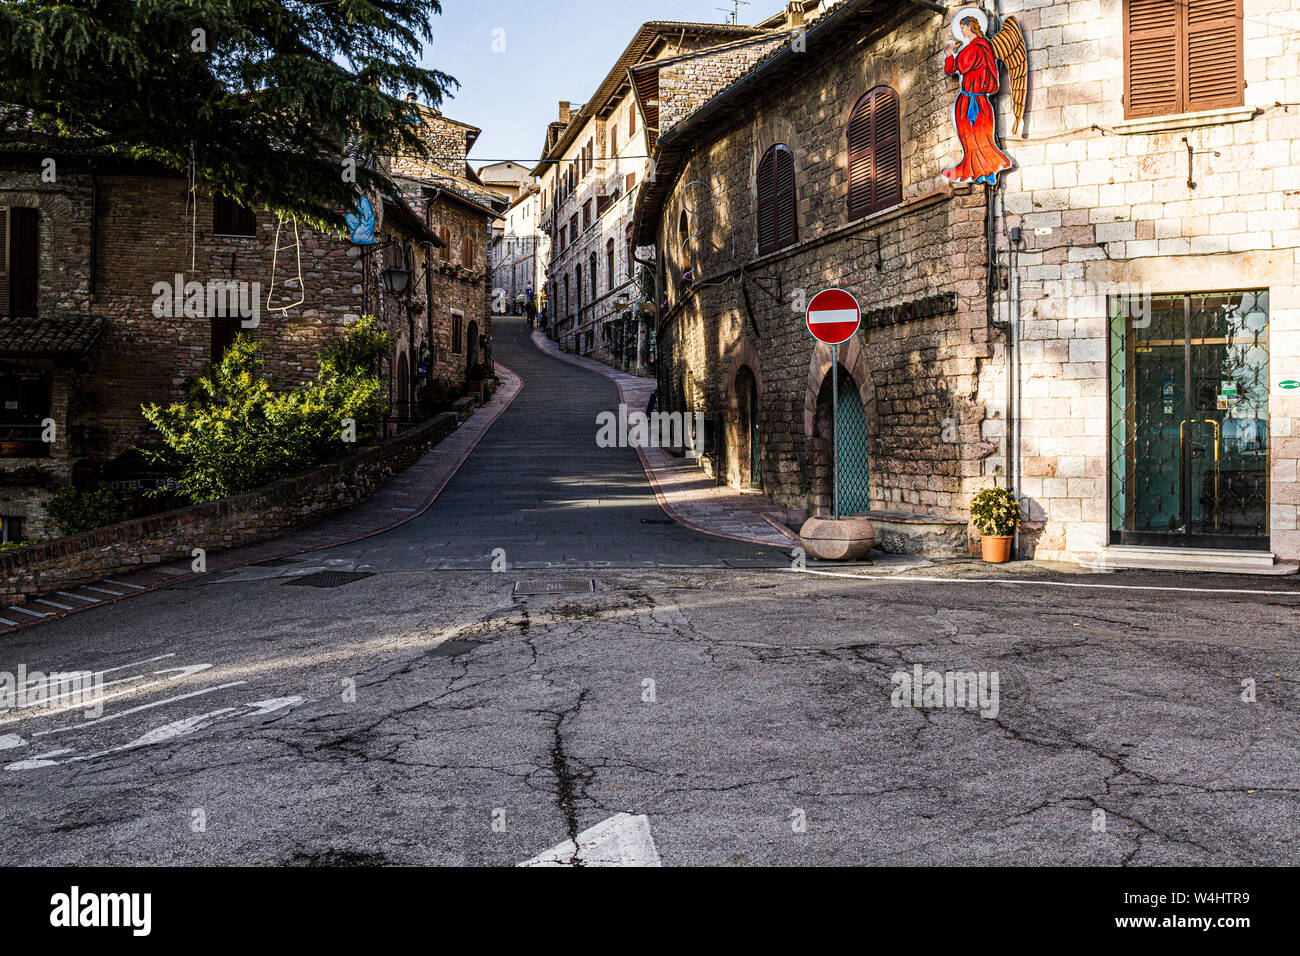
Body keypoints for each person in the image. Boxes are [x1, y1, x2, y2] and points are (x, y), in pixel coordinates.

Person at [943, 17, 1013, 185]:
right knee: (971, 138)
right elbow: (951, 69)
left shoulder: (975, 48)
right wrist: (951, 55)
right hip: (973, 100)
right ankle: (978, 170)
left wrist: (950, 53)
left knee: (980, 137)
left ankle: (985, 169)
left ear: (972, 27)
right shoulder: (980, 46)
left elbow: (956, 67)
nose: (962, 31)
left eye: (963, 27)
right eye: (960, 27)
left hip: (972, 101)